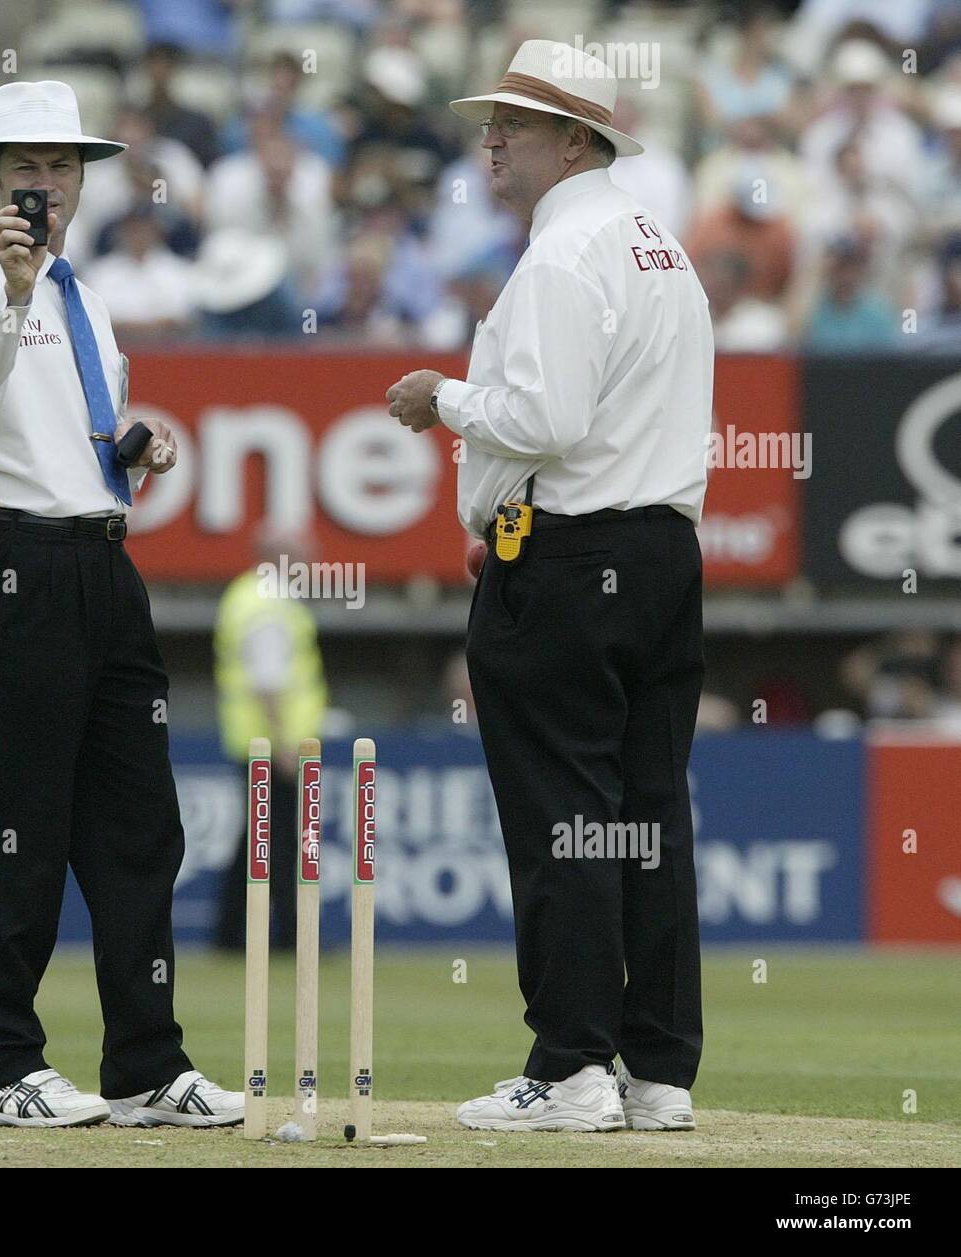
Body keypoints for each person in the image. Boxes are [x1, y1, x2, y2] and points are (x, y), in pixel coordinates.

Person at [387, 40, 714, 1133]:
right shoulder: (659, 246)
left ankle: (571, 1067)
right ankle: (658, 1074)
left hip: (573, 564)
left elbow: (544, 419)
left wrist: (443, 397)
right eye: (490, 122)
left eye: (513, 125)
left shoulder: (565, 254)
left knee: (564, 816)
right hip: (659, 552)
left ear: (575, 139)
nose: (489, 140)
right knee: (647, 815)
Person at [0, 80, 241, 1130]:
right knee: (16, 821)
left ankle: (147, 1063)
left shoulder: (86, 299)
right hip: (10, 560)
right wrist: (10, 296)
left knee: (140, 826)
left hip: (102, 560)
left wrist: (132, 452)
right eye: (26, 166)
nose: (45, 181)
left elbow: (72, 448)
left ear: (85, 177)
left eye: (62, 165)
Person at [212, 526, 329, 951]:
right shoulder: (268, 604)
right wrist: (283, 744)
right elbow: (268, 681)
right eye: (304, 554)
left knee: (259, 840)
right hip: (271, 745)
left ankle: (231, 935)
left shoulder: (251, 596)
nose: (313, 563)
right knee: (278, 843)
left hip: (258, 742)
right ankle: (288, 937)